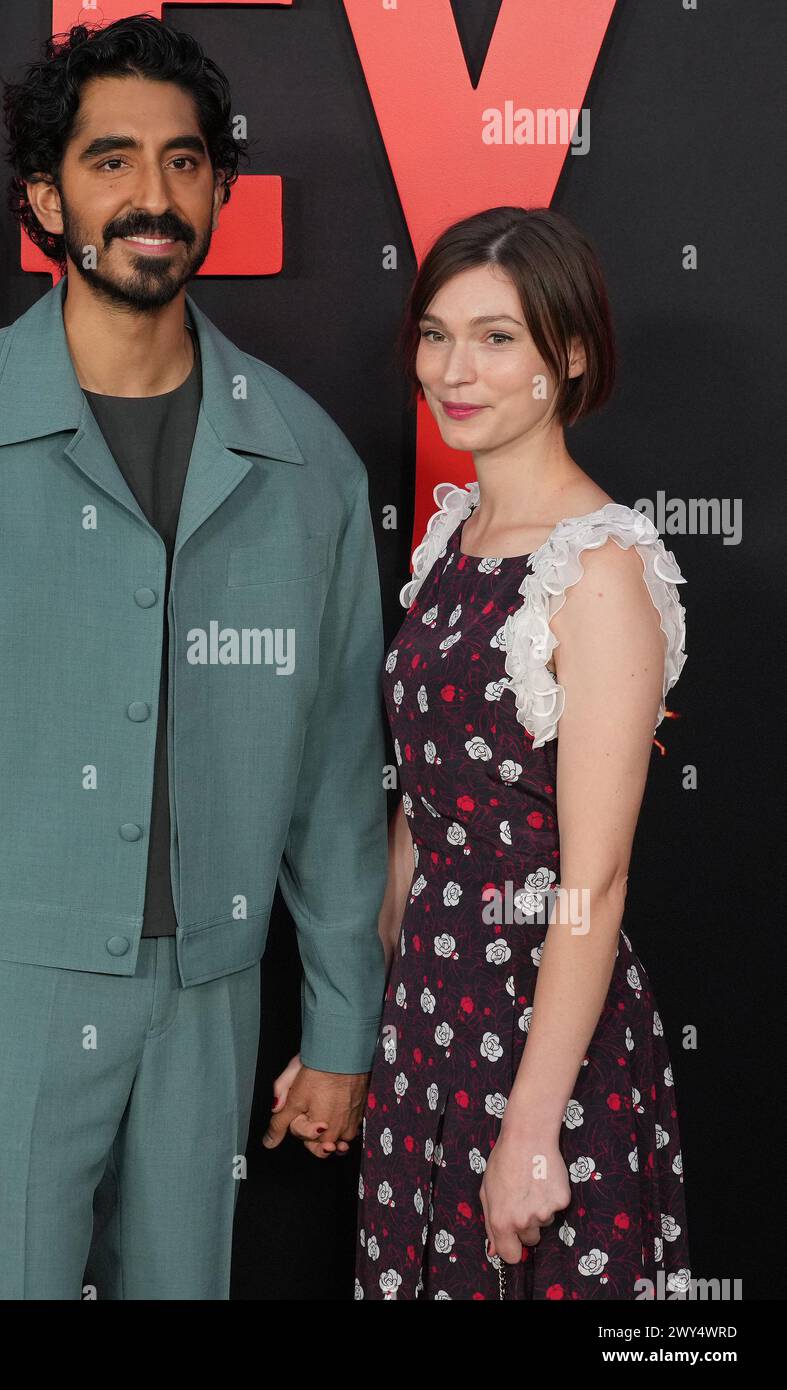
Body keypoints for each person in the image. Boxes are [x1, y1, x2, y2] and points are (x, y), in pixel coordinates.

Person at [0, 15, 388, 1300]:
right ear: (43, 194)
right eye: (111, 160)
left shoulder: (305, 461)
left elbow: (333, 785)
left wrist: (345, 1020)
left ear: (217, 189)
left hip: (212, 1002)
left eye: (184, 163)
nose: (152, 196)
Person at [353, 206, 692, 1299]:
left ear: (570, 355)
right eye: (437, 333)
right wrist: (365, 1023)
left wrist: (531, 1126)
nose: (456, 369)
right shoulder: (451, 538)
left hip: (538, 1028)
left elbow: (590, 880)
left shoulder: (598, 570)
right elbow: (419, 807)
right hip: (425, 1017)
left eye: (497, 338)